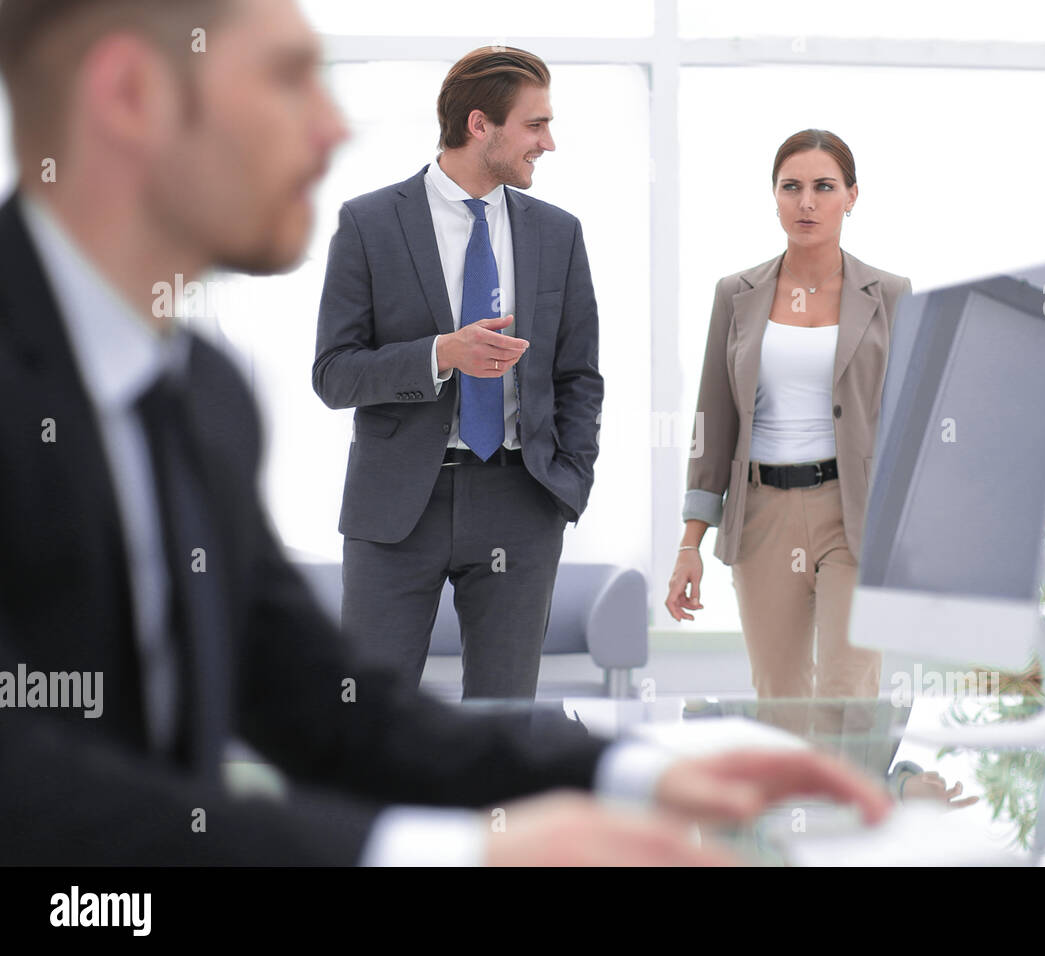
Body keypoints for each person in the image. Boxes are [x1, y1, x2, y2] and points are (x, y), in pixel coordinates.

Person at [0, 0, 893, 866]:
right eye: (286, 79)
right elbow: (39, 794)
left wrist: (627, 770)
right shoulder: (348, 241)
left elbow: (326, 710)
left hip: (519, 499)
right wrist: (460, 853)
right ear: (130, 95)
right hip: (400, 506)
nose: (329, 128)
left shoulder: (202, 398)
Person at [313, 46, 597, 699]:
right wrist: (441, 354)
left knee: (503, 726)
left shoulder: (559, 234)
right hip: (396, 509)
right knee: (369, 723)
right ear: (480, 125)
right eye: (535, 125)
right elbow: (333, 373)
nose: (548, 142)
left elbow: (579, 375)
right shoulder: (370, 224)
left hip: (519, 501)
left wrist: (568, 481)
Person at [666, 130, 911, 705]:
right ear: (773, 196)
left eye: (824, 187)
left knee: (848, 697)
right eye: (791, 187)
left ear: (852, 196)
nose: (806, 202)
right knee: (780, 699)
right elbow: (714, 421)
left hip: (855, 512)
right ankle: (797, 800)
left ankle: (859, 794)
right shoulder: (737, 294)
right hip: (762, 513)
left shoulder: (892, 295)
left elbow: (910, 426)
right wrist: (689, 543)